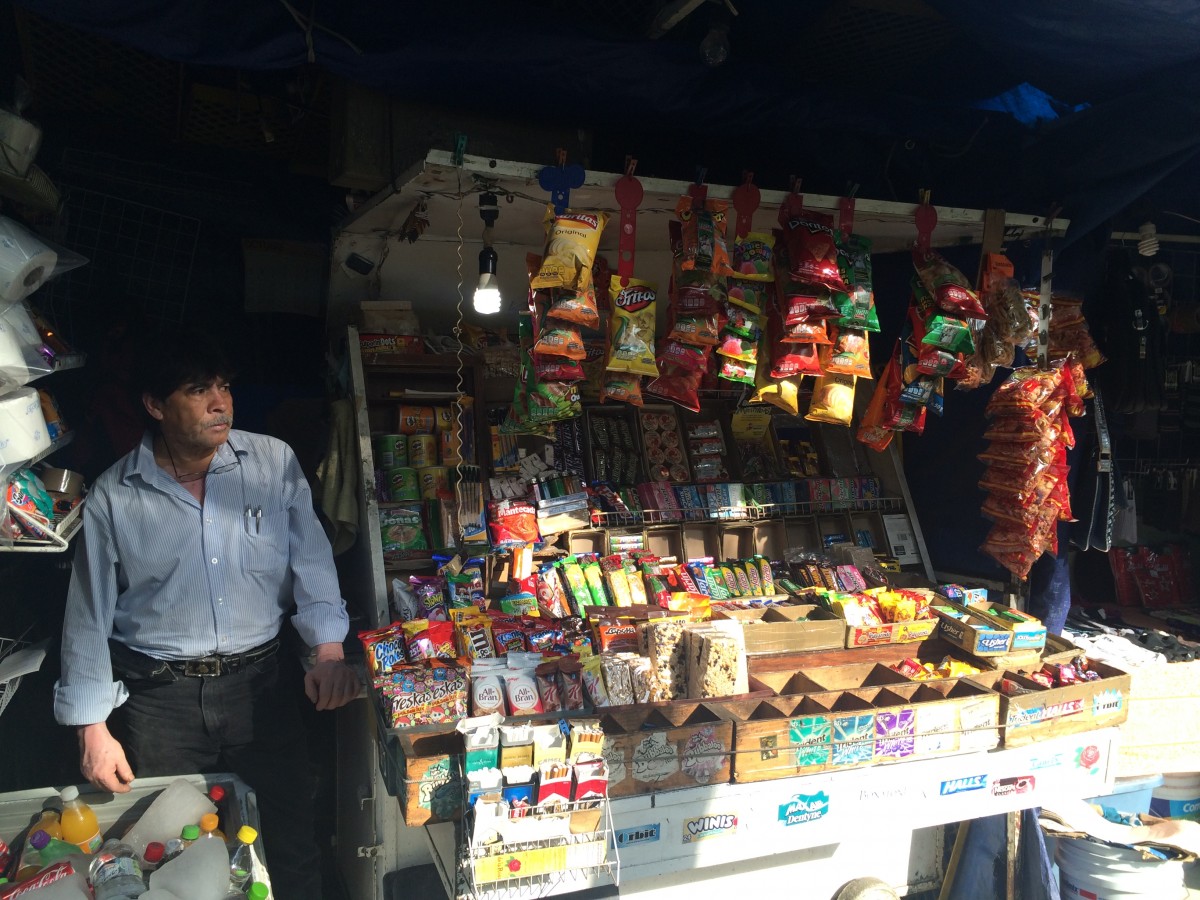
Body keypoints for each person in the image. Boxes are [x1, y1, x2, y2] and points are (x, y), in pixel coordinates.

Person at [54, 330, 359, 900]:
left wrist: (328, 651)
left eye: (224, 387)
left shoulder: (271, 462)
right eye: (198, 390)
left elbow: (312, 560)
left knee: (292, 835)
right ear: (155, 405)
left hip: (263, 687)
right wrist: (91, 728)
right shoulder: (116, 495)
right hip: (159, 701)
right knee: (170, 847)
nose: (221, 403)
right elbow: (88, 614)